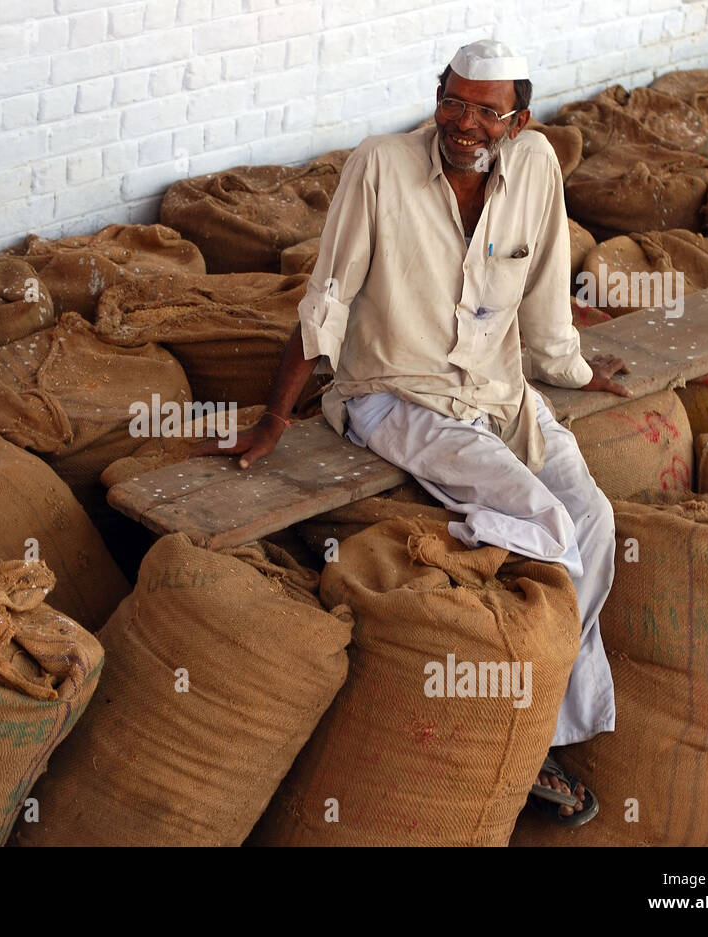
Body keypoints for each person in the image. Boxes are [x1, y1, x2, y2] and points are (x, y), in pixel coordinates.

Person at [195, 39, 633, 826]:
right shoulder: (382, 166)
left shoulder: (535, 166)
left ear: (518, 120)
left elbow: (542, 303)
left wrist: (571, 369)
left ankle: (541, 729)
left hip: (499, 392)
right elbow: (326, 299)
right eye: (452, 101)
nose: (464, 124)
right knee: (547, 524)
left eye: (485, 111)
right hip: (397, 397)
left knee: (594, 522)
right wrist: (272, 417)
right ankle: (532, 733)